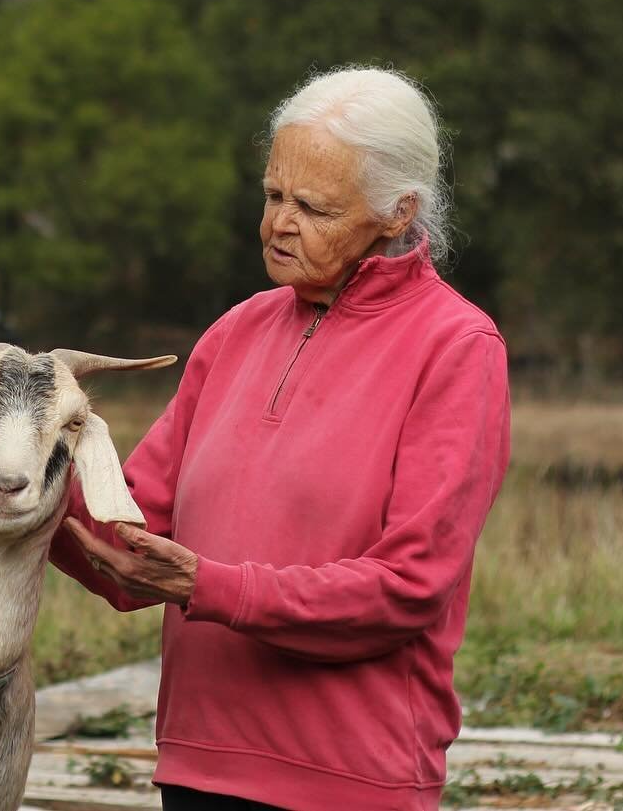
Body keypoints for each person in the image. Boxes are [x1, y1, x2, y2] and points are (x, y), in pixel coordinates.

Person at [53, 67, 510, 811]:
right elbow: (127, 536)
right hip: (197, 769)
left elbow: (407, 586)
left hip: (350, 783)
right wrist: (21, 475)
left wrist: (213, 585)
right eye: (272, 195)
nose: (279, 224)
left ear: (399, 212)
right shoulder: (235, 332)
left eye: (312, 206)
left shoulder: (457, 346)